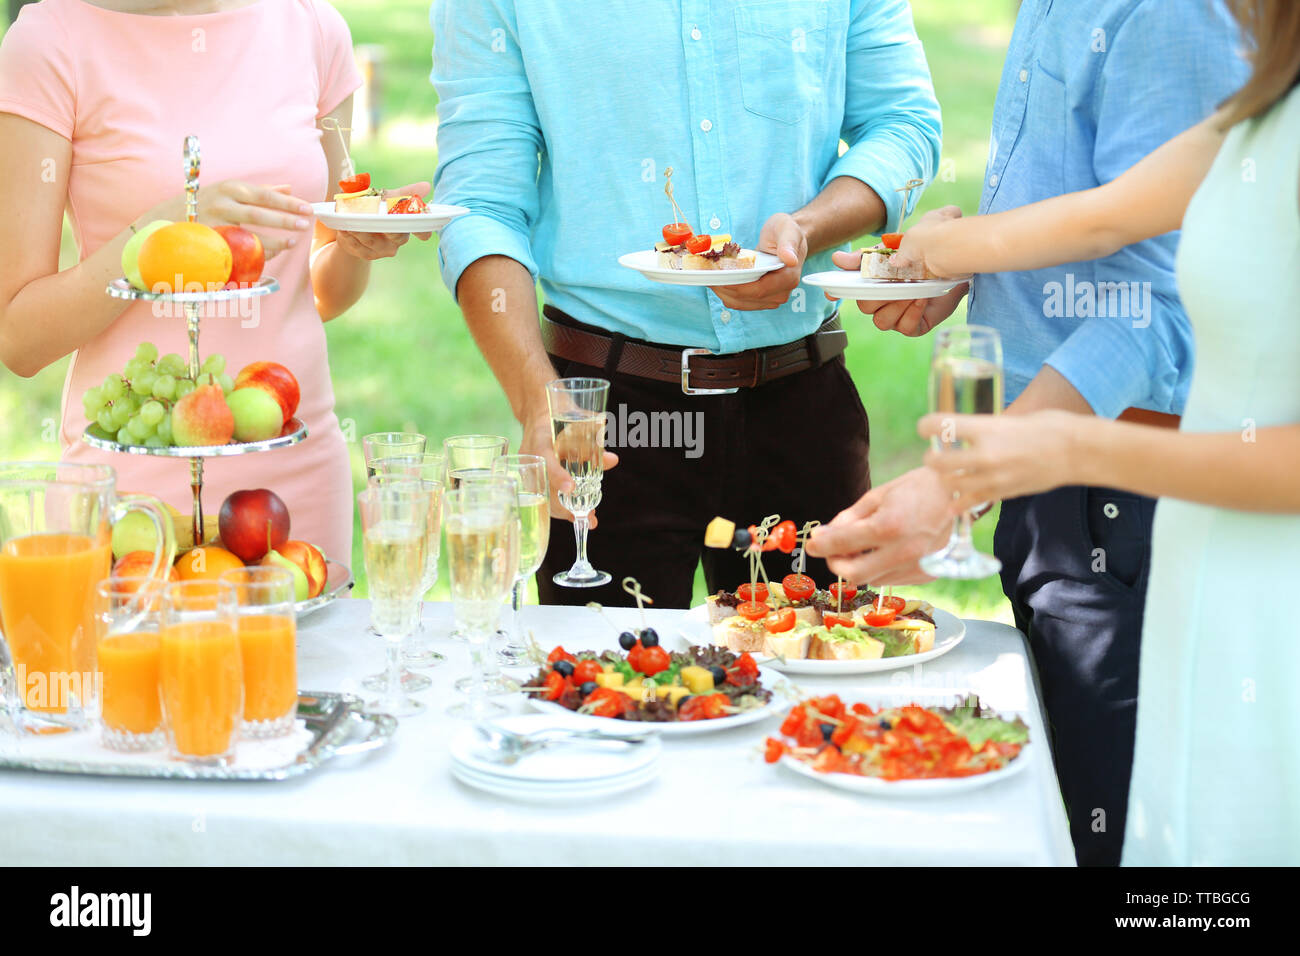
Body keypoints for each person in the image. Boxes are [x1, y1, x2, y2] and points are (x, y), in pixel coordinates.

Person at [807, 0, 1248, 866]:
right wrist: (961, 259)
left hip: (1122, 501)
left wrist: (961, 478)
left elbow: (1157, 306)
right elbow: (1086, 220)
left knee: (1119, 845)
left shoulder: (1164, 13)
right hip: (1054, 489)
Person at [431, 0, 941, 608]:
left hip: (803, 406)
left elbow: (903, 124)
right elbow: (482, 204)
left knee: (823, 680)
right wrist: (539, 405)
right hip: (606, 419)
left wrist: (806, 229)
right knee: (609, 688)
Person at [0, 0, 424, 562]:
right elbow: (20, 337)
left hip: (292, 474)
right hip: (135, 485)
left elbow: (319, 292)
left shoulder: (314, 29)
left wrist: (357, 245)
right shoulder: (49, 41)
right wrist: (162, 235)